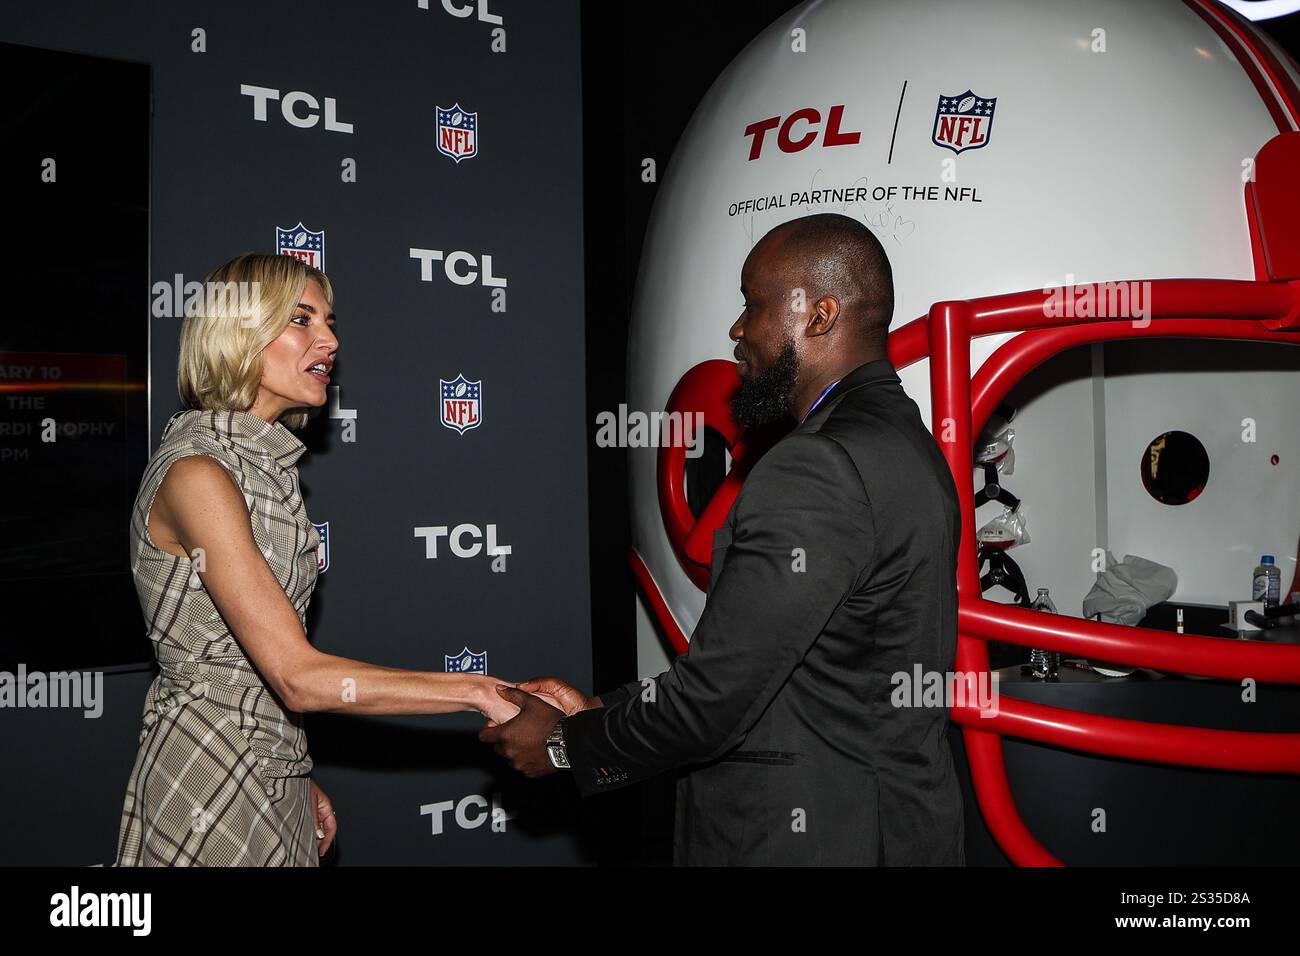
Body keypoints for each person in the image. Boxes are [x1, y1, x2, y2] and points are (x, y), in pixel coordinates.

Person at [481, 213, 966, 865]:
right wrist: (597, 709)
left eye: (753, 304)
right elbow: (787, 669)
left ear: (819, 316)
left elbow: (714, 705)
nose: (738, 329)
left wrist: (567, 744)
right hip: (891, 829)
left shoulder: (815, 467)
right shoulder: (908, 444)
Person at [115, 253, 531, 866]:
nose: (330, 340)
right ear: (237, 332)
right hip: (208, 775)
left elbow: (256, 672)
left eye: (330, 322)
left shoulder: (263, 468)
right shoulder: (198, 473)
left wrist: (294, 772)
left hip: (269, 765)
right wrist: (479, 691)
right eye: (301, 319)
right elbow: (295, 675)